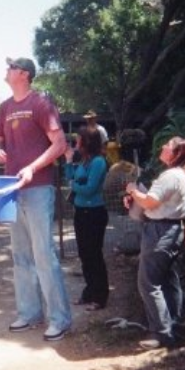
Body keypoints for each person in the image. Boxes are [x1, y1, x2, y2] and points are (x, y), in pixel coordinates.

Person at [0, 56, 72, 341]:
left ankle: (60, 319)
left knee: (43, 254)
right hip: (13, 189)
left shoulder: (40, 104)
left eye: (11, 66)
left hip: (38, 188)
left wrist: (31, 168)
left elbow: (60, 144)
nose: (7, 69)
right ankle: (29, 313)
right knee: (20, 255)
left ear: (24, 74)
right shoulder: (4, 108)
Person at [125, 136, 185, 349]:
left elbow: (150, 201)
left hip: (160, 231)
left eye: (168, 145)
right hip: (174, 230)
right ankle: (173, 325)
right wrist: (138, 197)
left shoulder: (170, 176)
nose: (164, 146)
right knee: (168, 280)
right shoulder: (183, 174)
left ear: (176, 154)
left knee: (148, 282)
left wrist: (132, 191)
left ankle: (161, 333)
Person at [63, 126, 109, 310]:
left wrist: (74, 186)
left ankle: (100, 297)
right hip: (81, 212)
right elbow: (70, 178)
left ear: (87, 141)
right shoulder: (84, 161)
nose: (76, 142)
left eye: (79, 139)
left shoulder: (98, 162)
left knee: (94, 254)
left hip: (94, 213)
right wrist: (68, 161)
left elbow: (89, 189)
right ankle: (89, 292)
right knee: (84, 255)